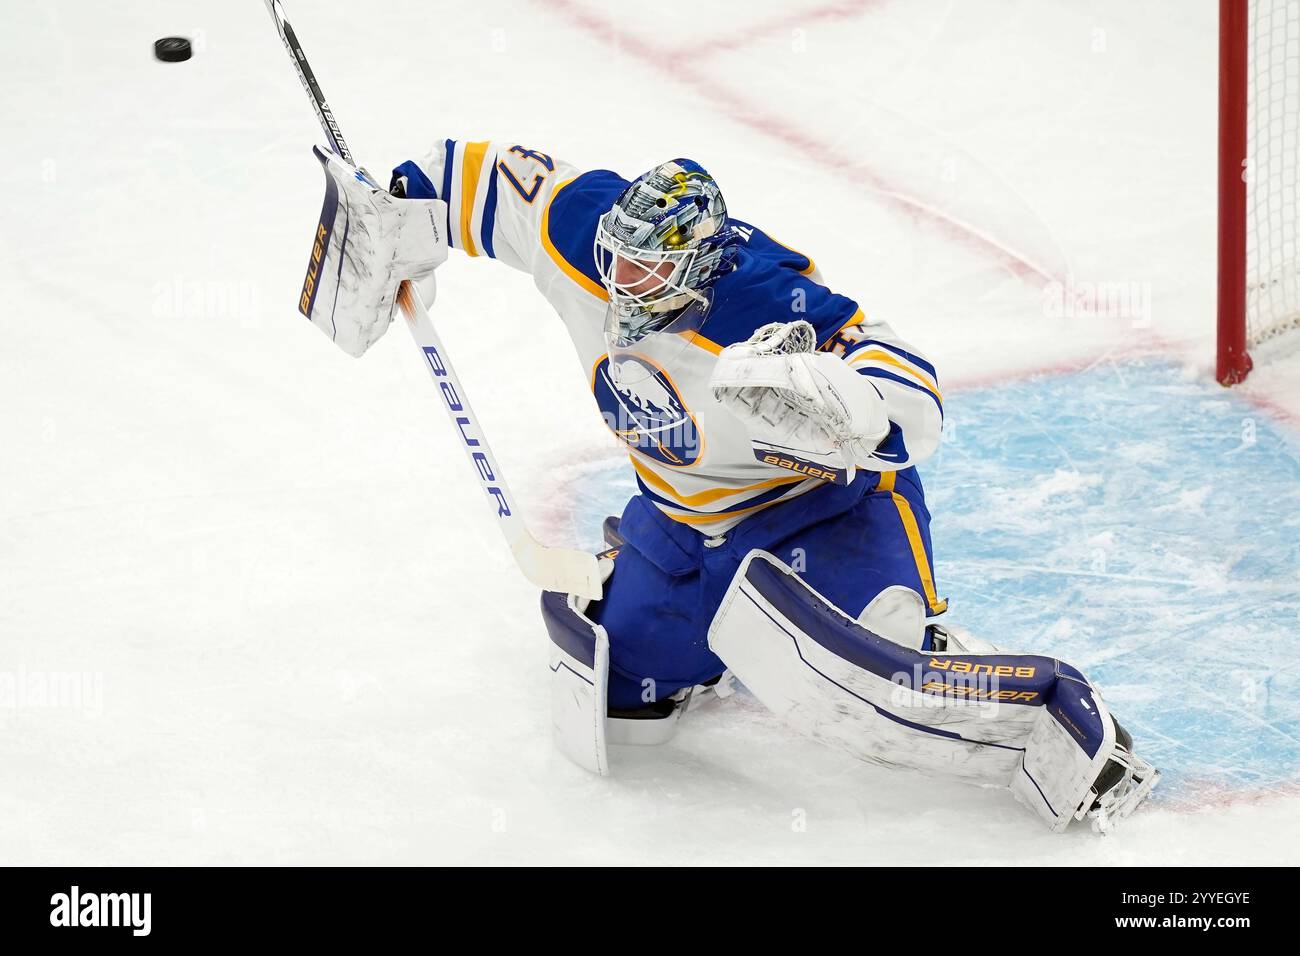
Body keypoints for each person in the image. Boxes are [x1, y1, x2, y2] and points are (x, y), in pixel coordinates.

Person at [293, 140, 1158, 832]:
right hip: (679, 522)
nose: (619, 287)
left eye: (643, 274)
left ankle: (1002, 688)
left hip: (819, 515)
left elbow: (915, 400)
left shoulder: (768, 306)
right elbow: (486, 181)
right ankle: (681, 624)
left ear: (695, 269)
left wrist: (840, 400)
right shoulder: (587, 230)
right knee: (625, 695)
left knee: (888, 668)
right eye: (616, 265)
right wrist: (401, 203)